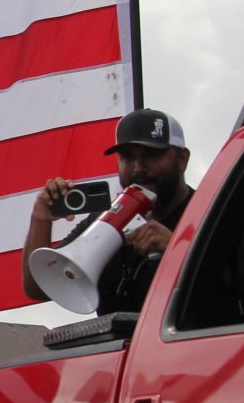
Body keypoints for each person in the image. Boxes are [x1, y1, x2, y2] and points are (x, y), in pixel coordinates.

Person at [22, 109, 195, 317]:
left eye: (152, 154)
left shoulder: (212, 211)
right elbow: (39, 287)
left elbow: (242, 293)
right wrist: (40, 218)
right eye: (128, 157)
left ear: (182, 159)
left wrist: (179, 250)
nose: (139, 168)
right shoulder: (104, 218)